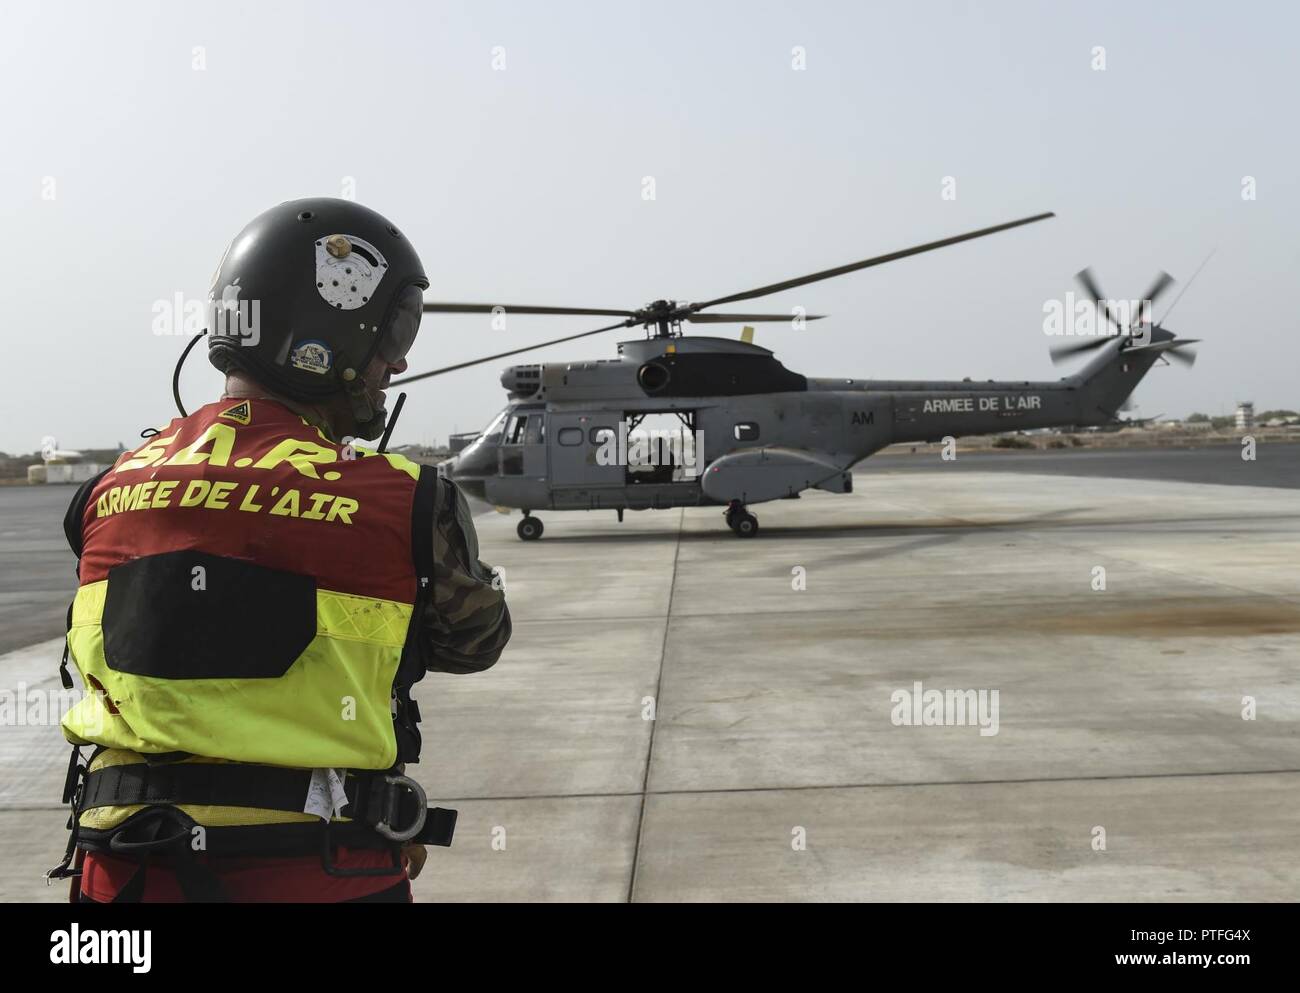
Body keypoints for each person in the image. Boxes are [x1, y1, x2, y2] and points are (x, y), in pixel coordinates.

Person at [48, 198, 510, 902]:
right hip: (319, 872)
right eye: (390, 334)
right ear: (327, 335)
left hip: (122, 875)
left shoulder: (110, 487)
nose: (399, 359)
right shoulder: (402, 499)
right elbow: (478, 639)